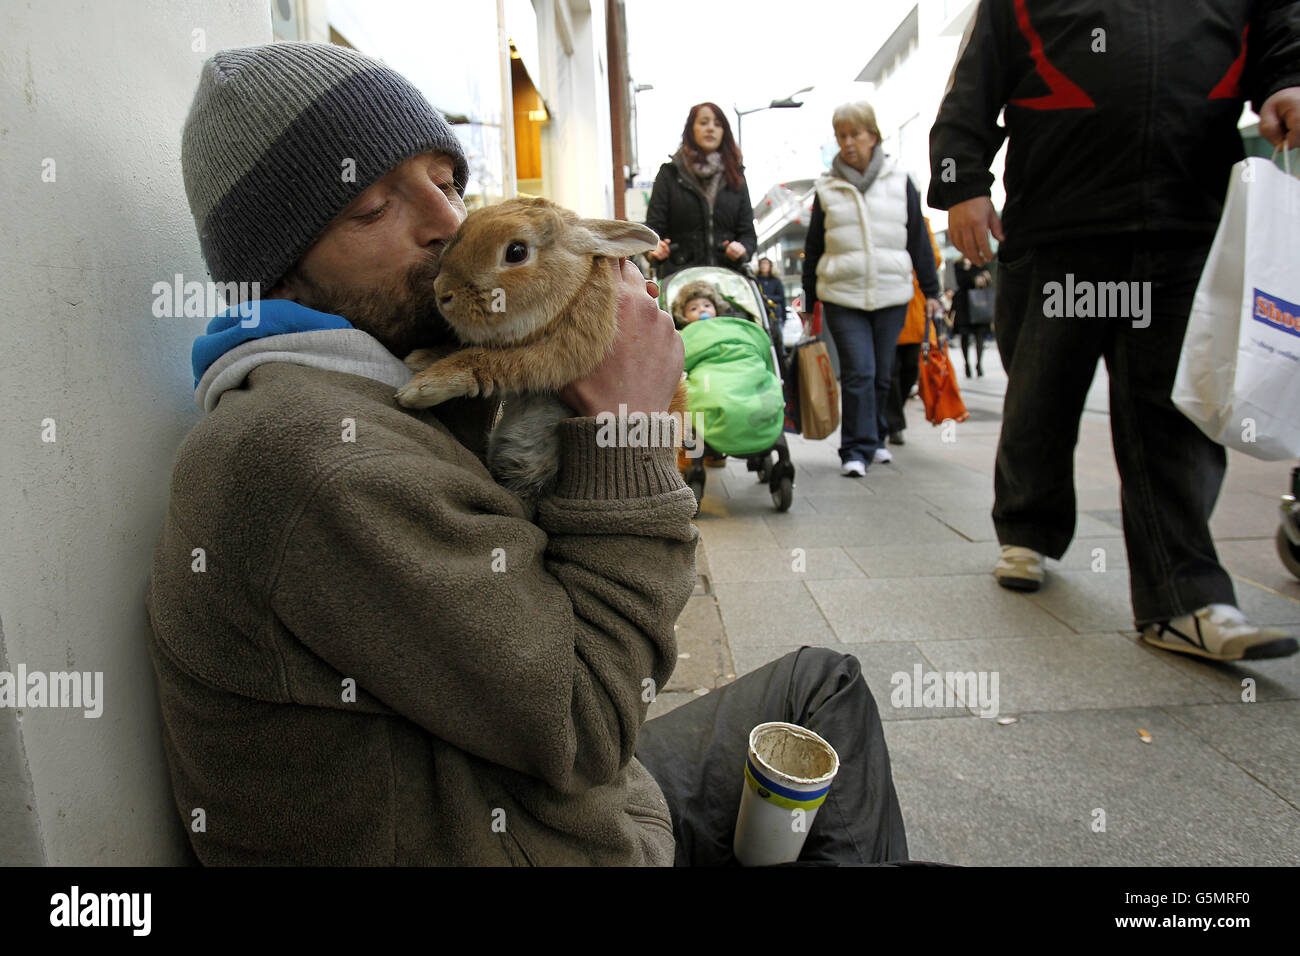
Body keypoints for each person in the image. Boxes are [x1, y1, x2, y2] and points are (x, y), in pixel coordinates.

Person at [146, 41, 910, 865]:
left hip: (559, 806)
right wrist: (626, 429)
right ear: (278, 277)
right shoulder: (310, 455)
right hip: (552, 828)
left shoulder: (372, 386)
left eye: (445, 183)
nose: (447, 226)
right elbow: (587, 722)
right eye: (373, 207)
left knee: (822, 688)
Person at [929, 0, 1300, 662]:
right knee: (1041, 395)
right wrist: (962, 184)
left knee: (1173, 418)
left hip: (1184, 221)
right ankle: (1028, 528)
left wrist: (1287, 80)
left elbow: (1281, 27)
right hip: (1056, 226)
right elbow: (975, 80)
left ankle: (1181, 600)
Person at [802, 101, 942, 476]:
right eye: (841, 136)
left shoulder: (900, 180)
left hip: (892, 293)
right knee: (859, 372)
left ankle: (877, 436)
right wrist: (809, 299)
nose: (848, 143)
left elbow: (919, 240)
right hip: (842, 295)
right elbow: (814, 247)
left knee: (882, 374)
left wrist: (931, 291)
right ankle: (854, 450)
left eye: (855, 134)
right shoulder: (827, 187)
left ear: (873, 136)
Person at [645, 103, 758, 280]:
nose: (711, 128)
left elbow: (748, 233)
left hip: (729, 281)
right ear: (691, 129)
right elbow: (653, 226)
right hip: (680, 281)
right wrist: (653, 246)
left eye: (717, 124)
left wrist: (743, 248)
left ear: (724, 132)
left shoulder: (735, 176)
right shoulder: (670, 174)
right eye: (704, 122)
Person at [885, 216, 942, 445]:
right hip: (889, 301)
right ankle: (894, 424)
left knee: (910, 366)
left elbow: (934, 258)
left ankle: (891, 413)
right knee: (890, 370)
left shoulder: (922, 222)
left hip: (915, 303)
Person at [951, 256, 993, 378]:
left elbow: (987, 278)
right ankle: (967, 364)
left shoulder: (980, 260)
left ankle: (979, 364)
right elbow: (961, 281)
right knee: (965, 335)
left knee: (979, 335)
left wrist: (981, 278)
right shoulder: (958, 264)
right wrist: (975, 278)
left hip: (978, 304)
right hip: (964, 305)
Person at [755, 256, 786, 323]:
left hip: (775, 314)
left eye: (766, 263)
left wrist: (767, 297)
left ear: (770, 266)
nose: (764, 266)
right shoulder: (755, 281)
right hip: (760, 313)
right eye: (762, 263)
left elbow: (781, 298)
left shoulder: (776, 281)